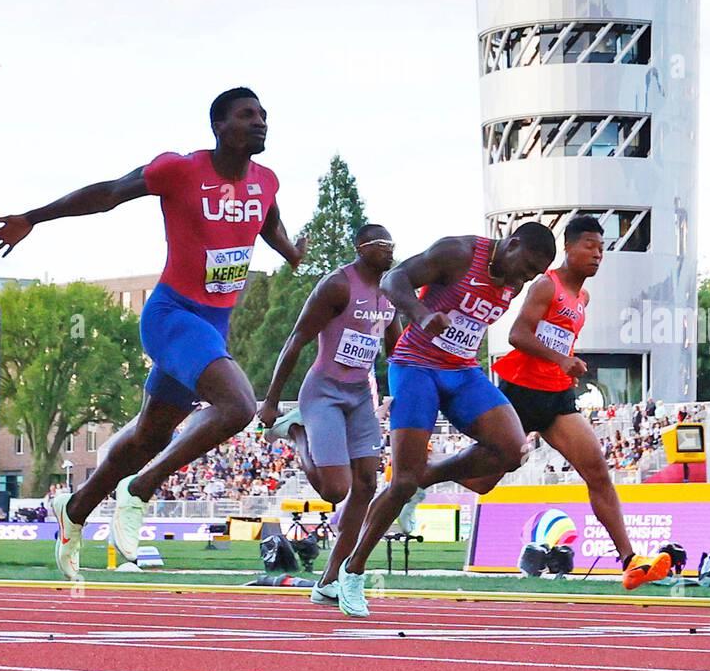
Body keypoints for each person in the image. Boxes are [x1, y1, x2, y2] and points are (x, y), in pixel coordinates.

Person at [0, 87, 306, 580]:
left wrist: (291, 254)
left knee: (147, 437)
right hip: (173, 317)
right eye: (246, 115)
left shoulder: (267, 181)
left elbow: (268, 226)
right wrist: (33, 218)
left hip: (214, 325)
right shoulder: (179, 169)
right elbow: (107, 194)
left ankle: (75, 509)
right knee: (238, 407)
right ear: (218, 126)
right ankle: (139, 490)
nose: (260, 122)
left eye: (263, 115)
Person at [336, 222, 556, 617]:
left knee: (512, 449)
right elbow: (393, 279)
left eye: (534, 275)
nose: (526, 279)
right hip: (416, 367)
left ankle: (428, 475)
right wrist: (421, 314)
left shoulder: (513, 278)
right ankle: (351, 573)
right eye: (526, 268)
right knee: (401, 482)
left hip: (463, 372)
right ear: (513, 244)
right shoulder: (458, 253)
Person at [452, 215, 670, 591]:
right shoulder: (545, 285)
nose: (597, 254)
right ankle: (420, 472)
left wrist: (567, 363)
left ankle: (630, 561)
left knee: (598, 472)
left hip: (558, 399)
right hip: (520, 394)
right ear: (567, 248)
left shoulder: (583, 297)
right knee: (481, 482)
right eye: (588, 245)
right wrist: (562, 360)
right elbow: (519, 334)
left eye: (601, 248)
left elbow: (556, 340)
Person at [258, 224, 398, 603]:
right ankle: (298, 433)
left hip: (358, 397)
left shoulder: (390, 292)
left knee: (367, 485)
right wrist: (272, 400)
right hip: (324, 392)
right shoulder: (337, 286)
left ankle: (330, 578)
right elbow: (297, 339)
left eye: (392, 245)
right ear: (360, 248)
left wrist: (401, 391)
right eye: (381, 245)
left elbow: (396, 347)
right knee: (335, 490)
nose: (389, 252)